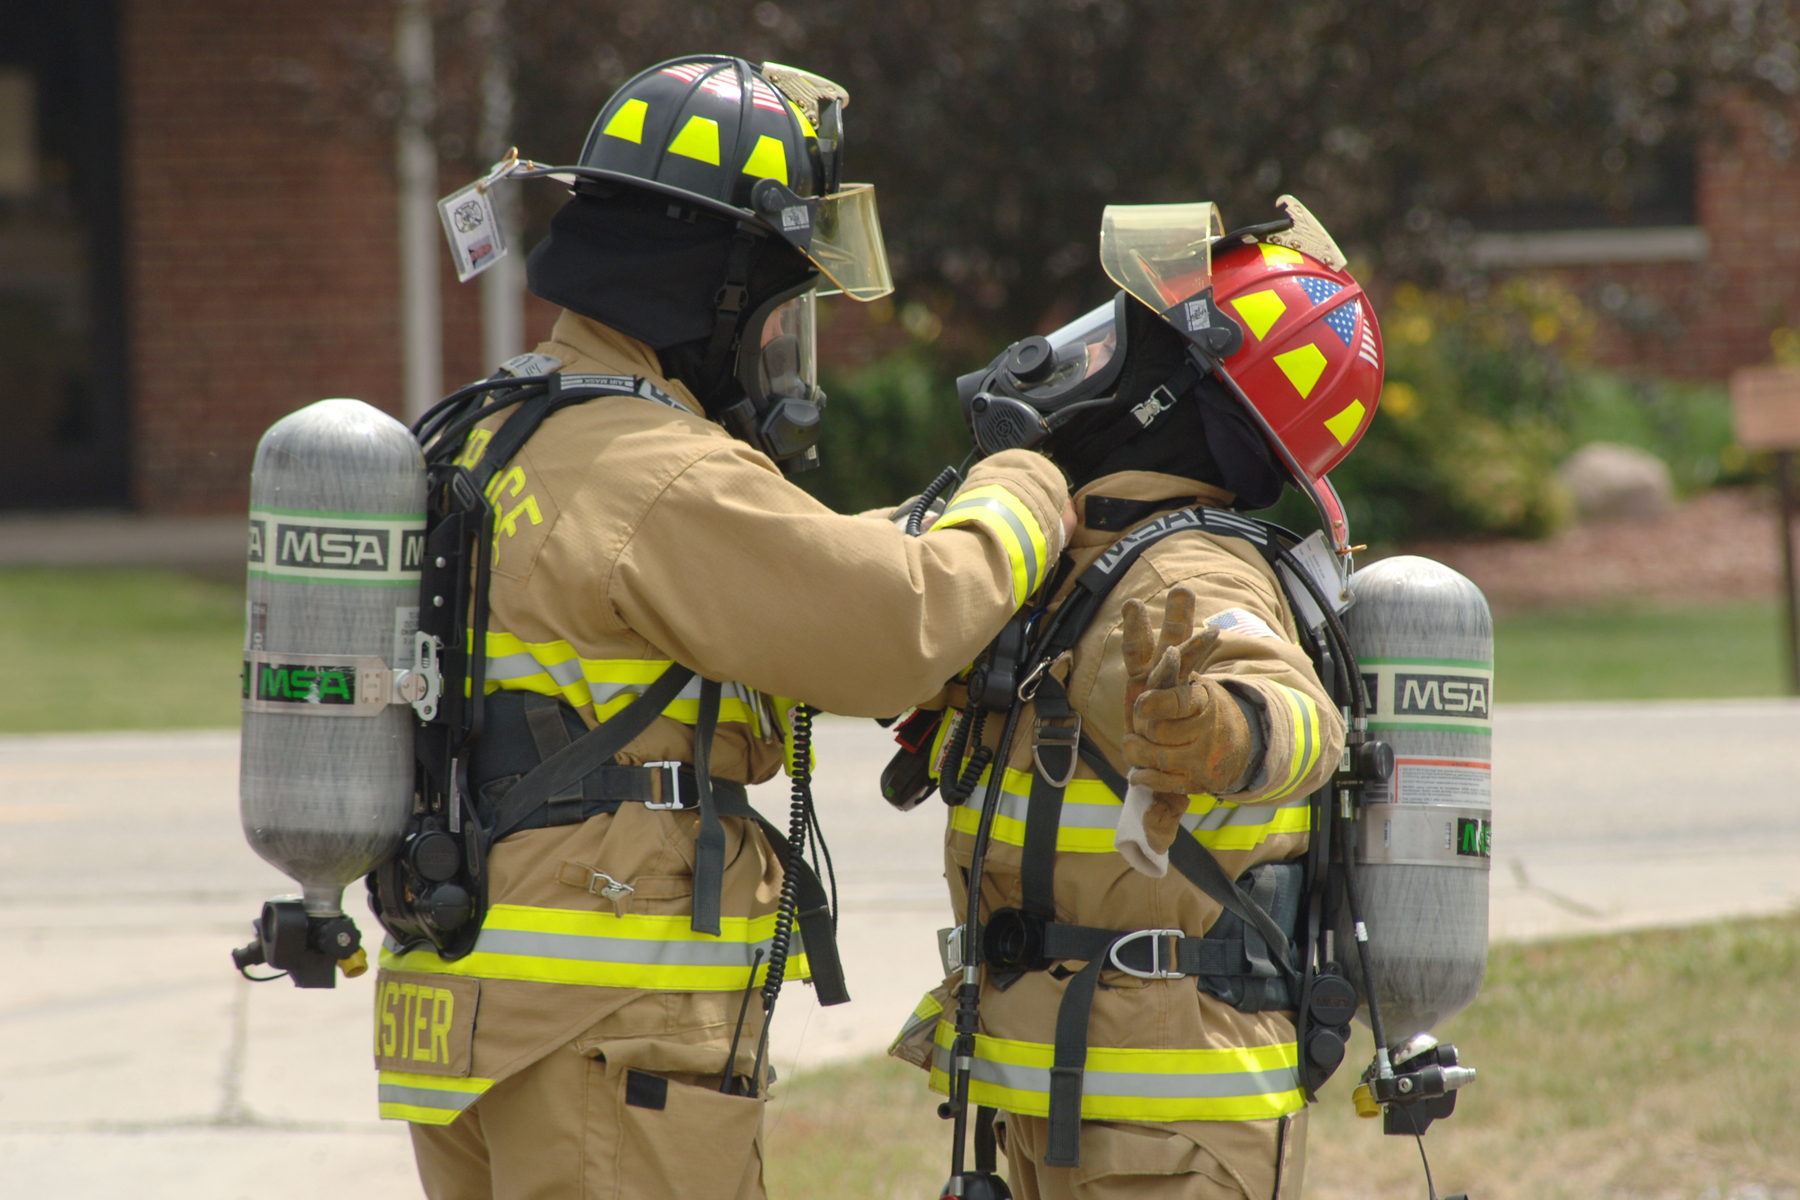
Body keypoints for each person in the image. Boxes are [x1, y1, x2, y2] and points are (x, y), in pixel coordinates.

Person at [374, 55, 1072, 1200]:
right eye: (782, 315)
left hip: (466, 1012)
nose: (780, 357)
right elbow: (897, 621)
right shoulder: (657, 472)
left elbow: (784, 572)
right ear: (719, 295)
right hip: (601, 1027)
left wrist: (912, 523)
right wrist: (1027, 488)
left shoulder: (494, 430)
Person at [889, 197, 1383, 1199]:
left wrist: (1223, 731)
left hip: (1168, 1127)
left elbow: (1297, 720)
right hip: (1079, 1098)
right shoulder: (1078, 559)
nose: (1076, 359)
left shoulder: (1184, 572)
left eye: (1118, 339)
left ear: (1175, 393)